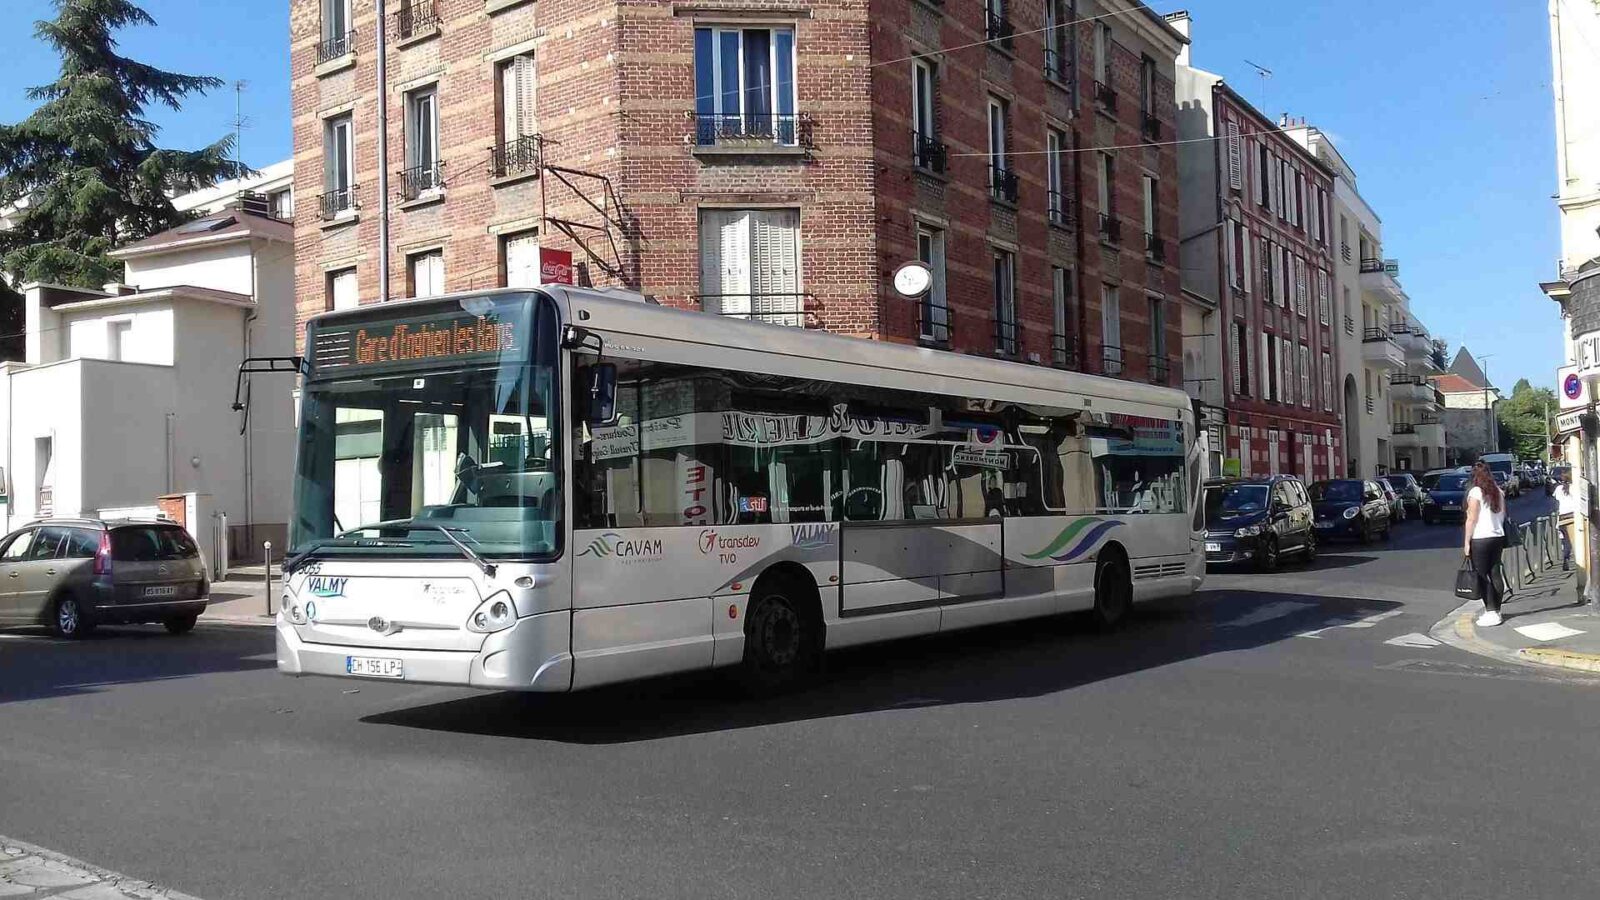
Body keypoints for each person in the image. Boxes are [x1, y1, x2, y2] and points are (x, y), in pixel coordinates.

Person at [1463, 461, 1508, 627]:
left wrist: (1467, 542)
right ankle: (1497, 610)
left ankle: (1490, 612)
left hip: (1481, 537)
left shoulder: (1476, 492)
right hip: (1498, 536)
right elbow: (1503, 515)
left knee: (1481, 576)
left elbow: (1472, 519)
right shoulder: (1498, 491)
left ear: (1474, 476)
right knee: (1495, 572)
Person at [1555, 470, 1579, 572]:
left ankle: (1566, 559)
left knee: (1566, 541)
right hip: (1573, 516)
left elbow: (1556, 498)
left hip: (1562, 518)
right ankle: (1579, 562)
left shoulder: (1559, 488)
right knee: (1576, 541)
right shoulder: (1575, 487)